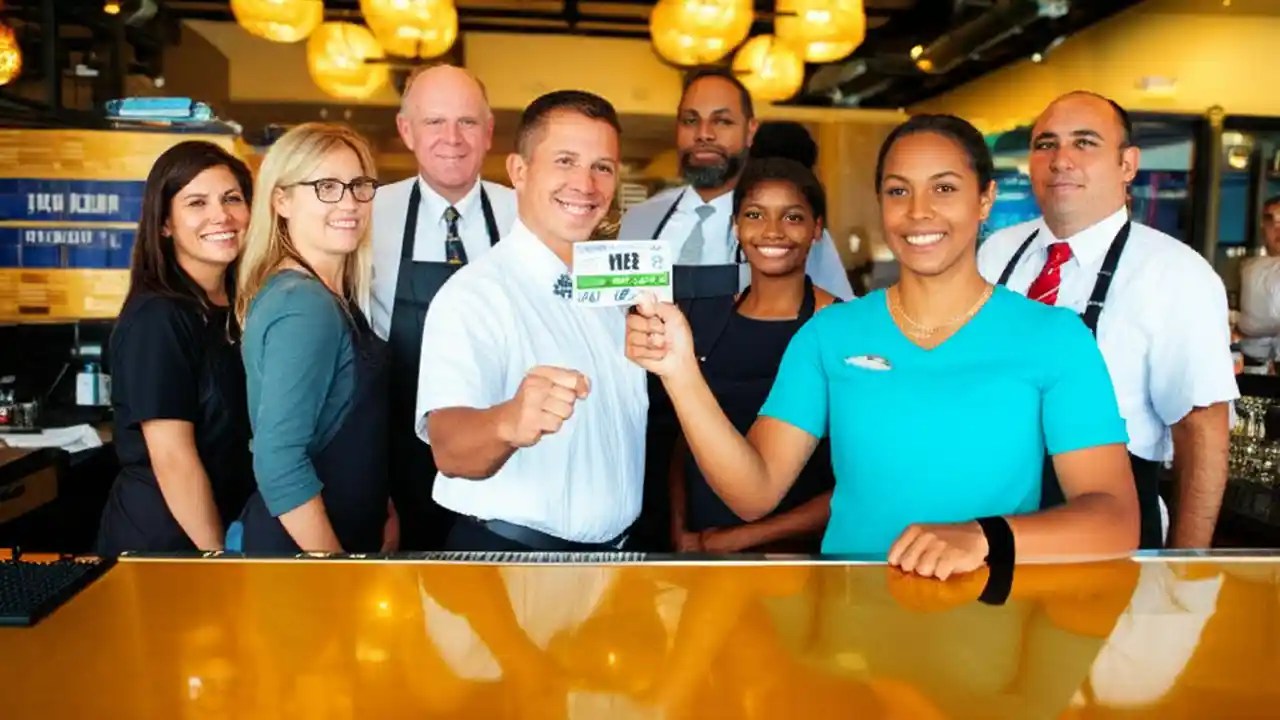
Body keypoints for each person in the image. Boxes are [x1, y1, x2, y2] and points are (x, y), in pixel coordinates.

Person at [628, 114, 1140, 578]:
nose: (919, 212)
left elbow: (1114, 517)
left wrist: (984, 536)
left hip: (985, 635)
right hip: (848, 636)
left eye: (944, 188)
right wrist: (678, 371)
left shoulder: (1053, 337)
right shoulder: (830, 334)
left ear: (984, 199)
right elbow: (752, 494)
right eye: (898, 192)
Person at [977, 91, 1238, 549]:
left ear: (1128, 164)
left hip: (1110, 530)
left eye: (1085, 143)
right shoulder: (996, 252)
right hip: (988, 520)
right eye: (1046, 144)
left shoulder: (1175, 273)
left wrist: (1184, 569)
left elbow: (1202, 429)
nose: (1061, 160)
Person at [618, 68, 854, 551]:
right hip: (651, 445)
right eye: (691, 120)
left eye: (721, 121)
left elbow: (836, 338)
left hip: (783, 454)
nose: (704, 133)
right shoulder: (640, 220)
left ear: (750, 131)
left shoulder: (800, 235)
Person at [415, 90, 645, 551]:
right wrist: (508, 421)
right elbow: (448, 448)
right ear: (519, 171)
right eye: (565, 161)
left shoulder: (616, 296)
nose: (586, 184)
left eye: (603, 167)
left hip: (616, 563)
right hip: (510, 564)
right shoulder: (474, 295)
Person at [370, 64, 518, 550]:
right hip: (395, 452)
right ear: (406, 131)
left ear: (489, 132)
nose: (452, 138)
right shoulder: (367, 214)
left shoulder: (526, 213)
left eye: (467, 122)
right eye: (434, 122)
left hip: (505, 445)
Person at [234, 122, 394, 554]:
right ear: (281, 200)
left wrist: (384, 509)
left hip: (345, 538)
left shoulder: (325, 294)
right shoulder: (304, 305)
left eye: (358, 185)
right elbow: (279, 460)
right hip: (304, 559)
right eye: (326, 186)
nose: (348, 202)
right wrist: (333, 567)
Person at [670, 157, 837, 554]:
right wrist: (679, 530)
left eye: (793, 217)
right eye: (755, 215)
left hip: (796, 563)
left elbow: (858, 479)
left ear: (817, 229)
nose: (772, 232)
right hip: (698, 553)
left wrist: (739, 539)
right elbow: (683, 440)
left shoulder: (839, 329)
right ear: (735, 226)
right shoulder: (700, 318)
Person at [97, 141, 255, 554]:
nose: (220, 216)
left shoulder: (240, 306)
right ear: (164, 223)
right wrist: (217, 557)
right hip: (165, 543)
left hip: (230, 526)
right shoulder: (159, 317)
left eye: (232, 198)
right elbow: (173, 458)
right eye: (196, 203)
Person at [1237, 195, 1280, 365]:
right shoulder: (1249, 270)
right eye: (1271, 221)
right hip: (1253, 366)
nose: (1278, 229)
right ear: (1263, 226)